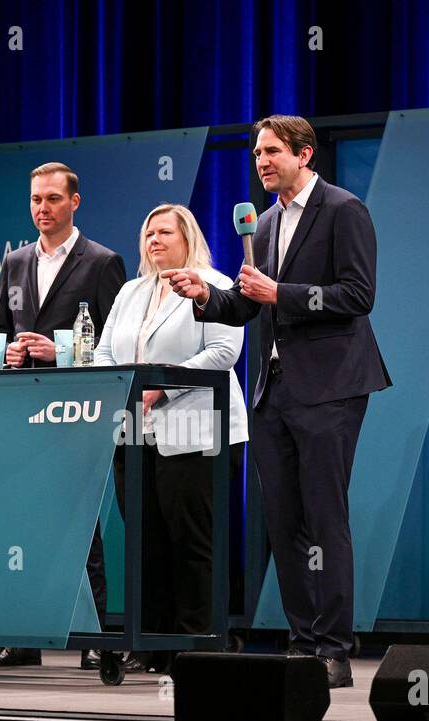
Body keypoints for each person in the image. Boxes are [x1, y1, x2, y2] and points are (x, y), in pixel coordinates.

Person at [164, 115, 391, 688]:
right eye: (257, 154)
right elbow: (247, 307)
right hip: (273, 392)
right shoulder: (262, 225)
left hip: (330, 388)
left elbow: (358, 295)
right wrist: (207, 297)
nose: (261, 162)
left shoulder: (343, 210)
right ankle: (302, 642)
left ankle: (336, 649)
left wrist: (280, 293)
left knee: (325, 517)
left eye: (271, 152)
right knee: (284, 522)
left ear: (304, 154)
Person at [0, 162, 126, 670]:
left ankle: (93, 636)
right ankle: (24, 636)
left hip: (75, 408)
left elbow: (114, 344)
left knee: (80, 523)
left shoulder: (103, 262)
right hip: (21, 407)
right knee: (22, 520)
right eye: (36, 200)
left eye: (53, 200)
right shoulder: (15, 262)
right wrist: (9, 354)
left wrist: (58, 354)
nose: (43, 209)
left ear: (75, 202)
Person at [94, 204, 247, 673]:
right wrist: (119, 391)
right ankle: (151, 645)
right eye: (148, 233)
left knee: (192, 541)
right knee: (146, 541)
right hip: (134, 430)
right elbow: (103, 351)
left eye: (165, 232)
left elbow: (224, 350)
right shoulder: (130, 291)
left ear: (187, 238)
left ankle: (196, 645)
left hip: (193, 424)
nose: (154, 240)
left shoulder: (215, 284)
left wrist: (160, 384)